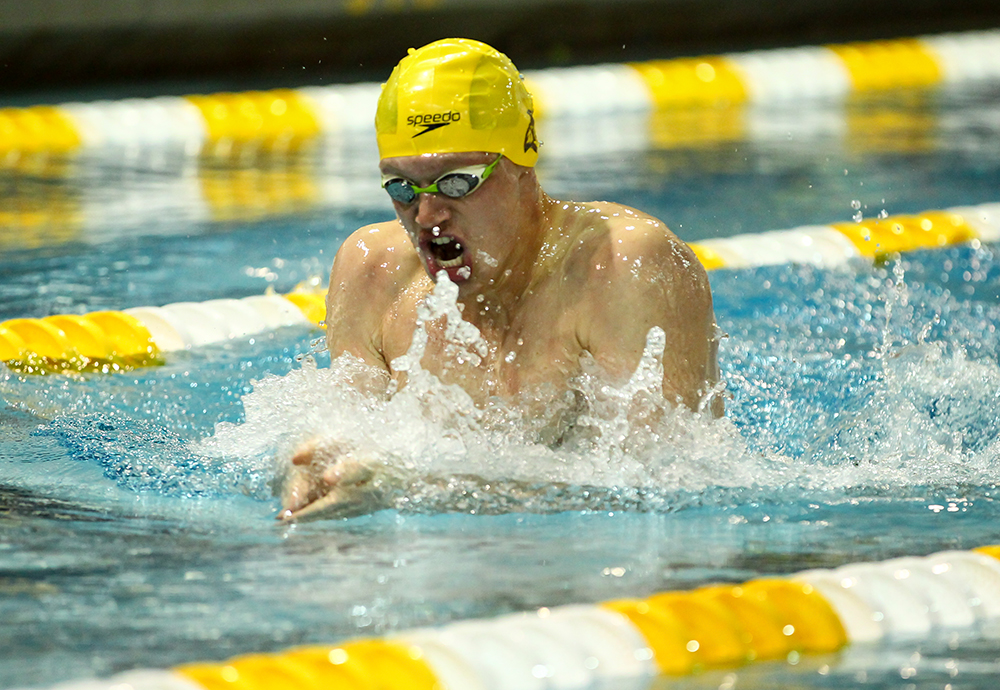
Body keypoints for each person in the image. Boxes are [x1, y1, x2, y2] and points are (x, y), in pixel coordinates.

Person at [279, 38, 723, 520]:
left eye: (456, 182)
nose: (426, 215)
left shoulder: (619, 266)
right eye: (402, 187)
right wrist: (311, 469)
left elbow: (664, 486)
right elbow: (349, 438)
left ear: (520, 164)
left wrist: (415, 484)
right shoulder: (371, 271)